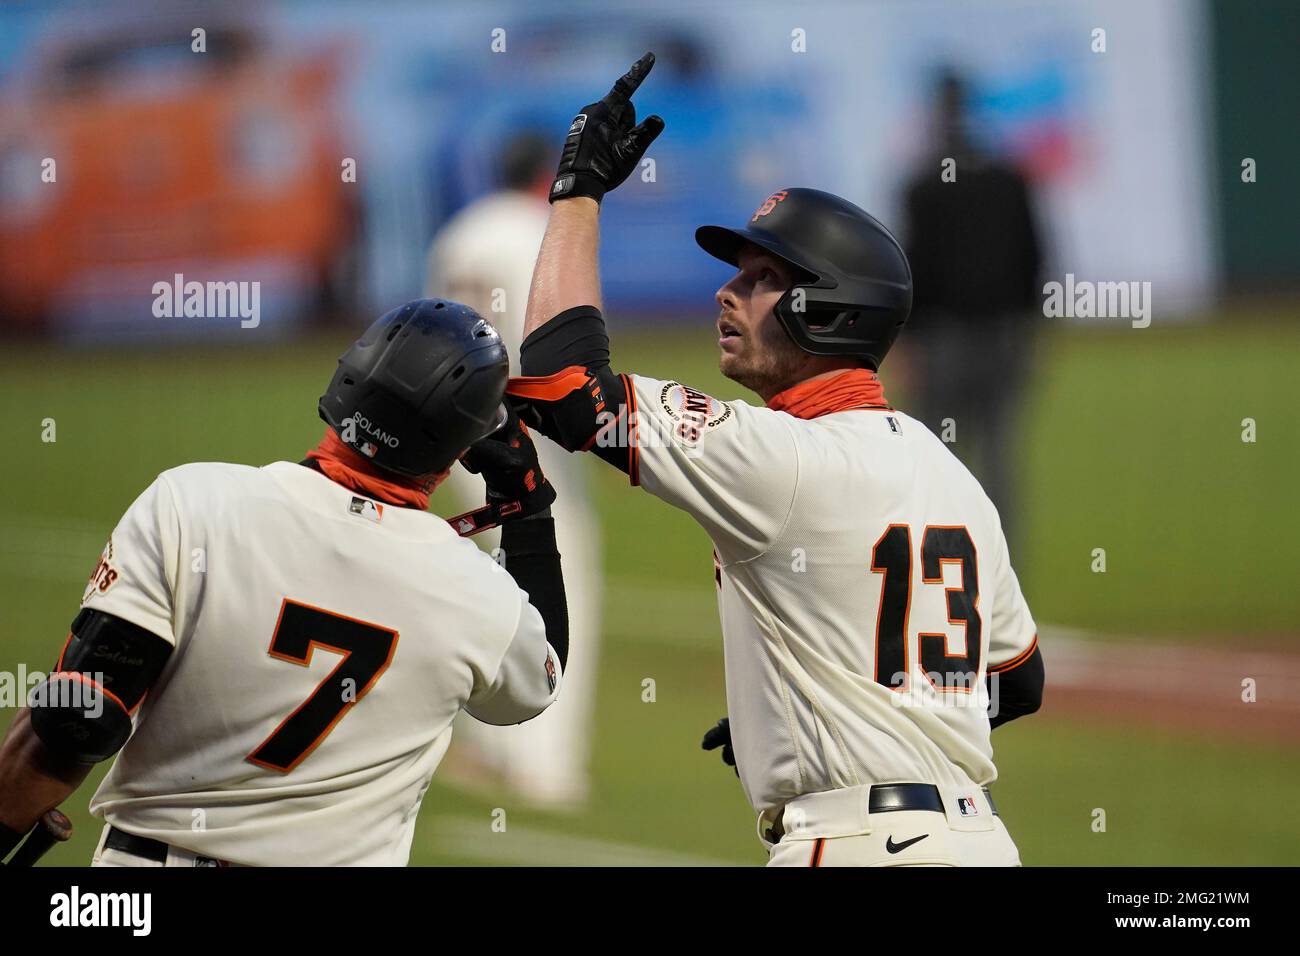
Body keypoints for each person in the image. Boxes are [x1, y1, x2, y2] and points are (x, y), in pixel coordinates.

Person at [506, 53, 1045, 867]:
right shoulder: (950, 473)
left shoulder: (779, 456)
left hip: (855, 846)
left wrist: (577, 192)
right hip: (981, 843)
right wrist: (816, 699)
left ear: (827, 309)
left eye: (761, 279)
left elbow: (560, 383)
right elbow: (1016, 682)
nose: (728, 292)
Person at [0, 299, 566, 867]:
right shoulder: (478, 596)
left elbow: (75, 723)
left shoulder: (193, 505)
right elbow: (540, 680)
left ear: (349, 376)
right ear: (462, 447)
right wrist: (529, 515)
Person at [426, 133, 601, 809]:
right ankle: (544, 766)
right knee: (559, 584)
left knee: (491, 582)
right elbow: (560, 344)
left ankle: (487, 745)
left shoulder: (457, 233)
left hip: (456, 426)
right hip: (528, 432)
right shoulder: (540, 230)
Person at [900, 70, 1044, 544]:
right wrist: (1030, 333)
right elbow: (1035, 258)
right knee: (1000, 461)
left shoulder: (924, 185)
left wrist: (907, 343)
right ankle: (1005, 581)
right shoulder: (1009, 180)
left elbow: (912, 271)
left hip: (944, 342)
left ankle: (940, 578)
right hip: (1004, 337)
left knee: (935, 463)